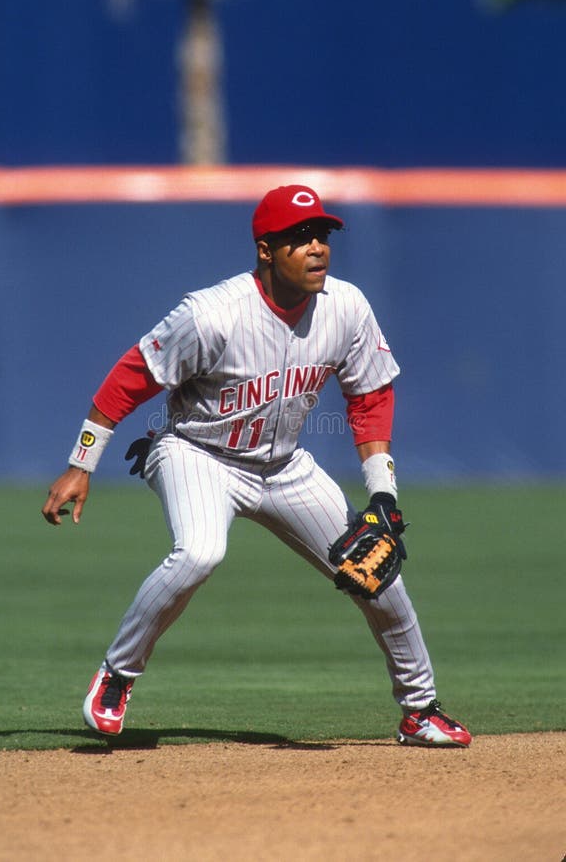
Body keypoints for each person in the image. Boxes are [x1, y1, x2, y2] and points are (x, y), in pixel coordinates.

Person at [42, 184, 471, 748]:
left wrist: (383, 495)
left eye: (322, 235)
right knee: (199, 553)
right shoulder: (211, 315)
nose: (317, 247)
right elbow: (131, 377)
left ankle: (420, 712)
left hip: (285, 467)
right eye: (300, 237)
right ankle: (118, 675)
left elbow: (370, 398)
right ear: (266, 250)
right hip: (197, 453)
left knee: (378, 574)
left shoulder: (346, 307)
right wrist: (81, 463)